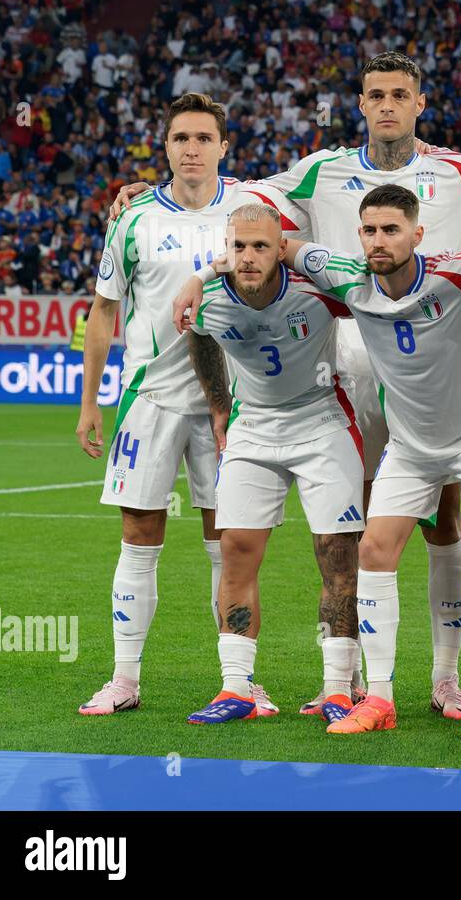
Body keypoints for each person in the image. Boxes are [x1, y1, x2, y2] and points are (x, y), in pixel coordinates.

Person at [112, 53, 461, 720]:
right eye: (374, 93)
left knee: (442, 525)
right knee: (349, 542)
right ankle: (337, 684)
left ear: (420, 102)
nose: (386, 105)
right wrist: (167, 227)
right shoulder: (321, 170)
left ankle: (446, 678)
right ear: (359, 103)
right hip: (343, 368)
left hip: (429, 376)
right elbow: (242, 213)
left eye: (399, 94)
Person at [76, 93, 301, 717]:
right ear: (166, 146)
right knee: (138, 535)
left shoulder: (253, 209)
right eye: (181, 138)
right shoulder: (133, 217)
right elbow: (103, 312)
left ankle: (239, 681)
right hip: (150, 400)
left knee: (229, 541)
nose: (193, 148)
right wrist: (92, 402)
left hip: (235, 404)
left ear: (224, 146)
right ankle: (124, 678)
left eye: (205, 137)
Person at [183, 204, 361, 725]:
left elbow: (368, 284)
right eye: (238, 246)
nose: (249, 256)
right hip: (252, 428)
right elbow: (197, 335)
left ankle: (337, 689)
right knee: (236, 549)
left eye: (261, 246)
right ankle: (236, 689)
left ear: (280, 246)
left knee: (337, 557)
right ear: (225, 249)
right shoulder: (209, 298)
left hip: (323, 422)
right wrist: (218, 403)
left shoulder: (314, 287)